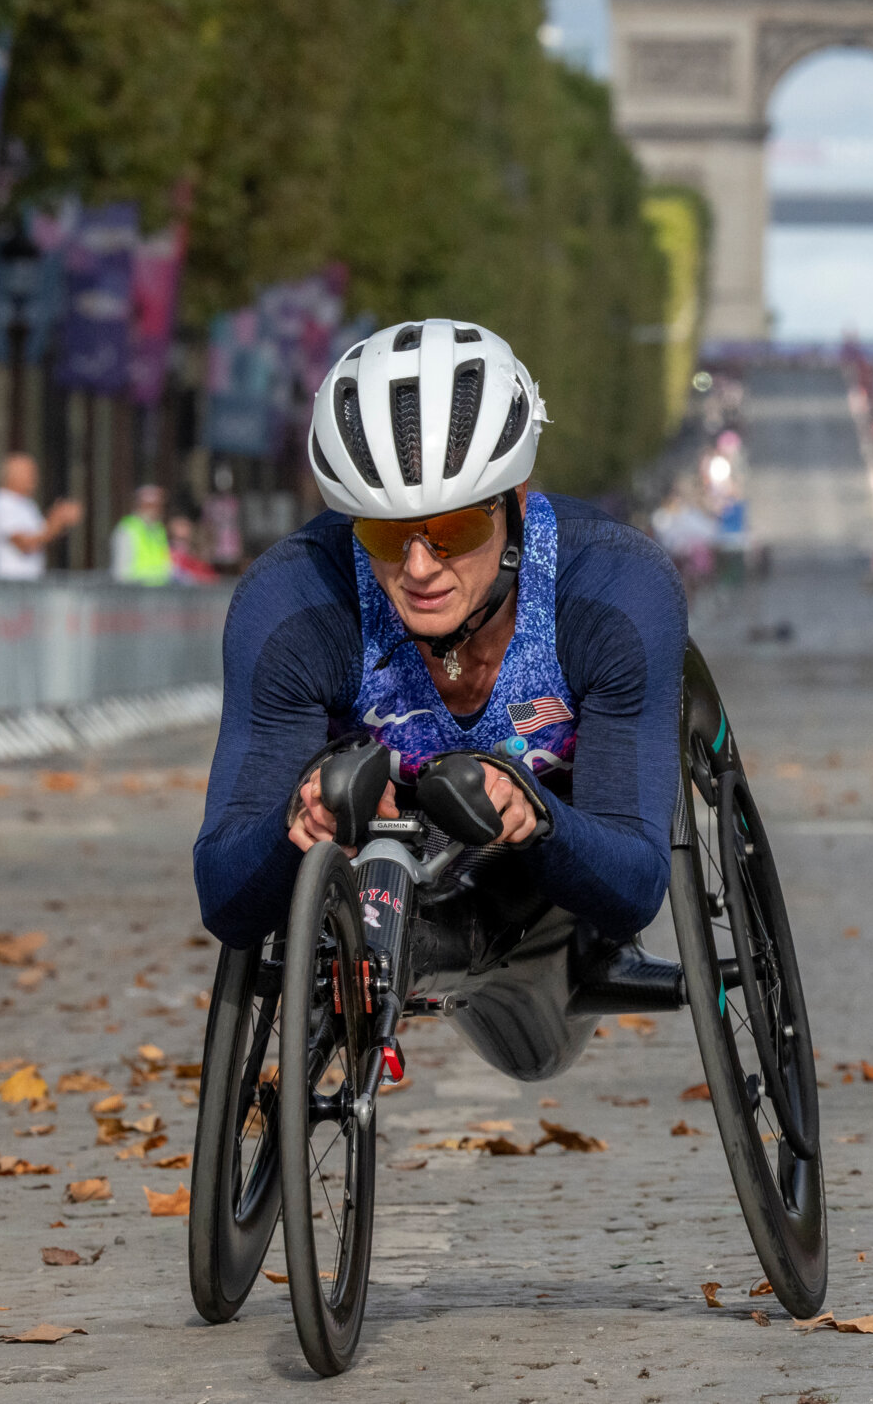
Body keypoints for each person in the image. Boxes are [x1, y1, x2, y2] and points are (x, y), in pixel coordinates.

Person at [191, 320, 687, 1082]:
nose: (419, 567)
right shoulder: (294, 601)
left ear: (515, 501)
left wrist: (537, 817)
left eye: (452, 530)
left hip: (550, 883)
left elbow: (631, 896)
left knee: (538, 1039)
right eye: (387, 537)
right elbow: (226, 899)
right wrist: (294, 830)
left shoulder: (615, 593)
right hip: (392, 862)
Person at [0, 453, 81, 580]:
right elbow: (25, 543)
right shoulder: (0, 502)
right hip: (10, 584)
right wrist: (57, 521)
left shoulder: (28, 504)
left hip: (32, 581)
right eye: (28, 473)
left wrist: (59, 518)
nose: (34, 477)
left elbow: (41, 534)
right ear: (11, 475)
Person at [110, 484, 171, 584]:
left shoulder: (159, 529)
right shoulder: (127, 529)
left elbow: (165, 564)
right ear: (140, 506)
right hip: (136, 594)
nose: (156, 510)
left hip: (159, 594)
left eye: (159, 506)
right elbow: (121, 573)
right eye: (150, 506)